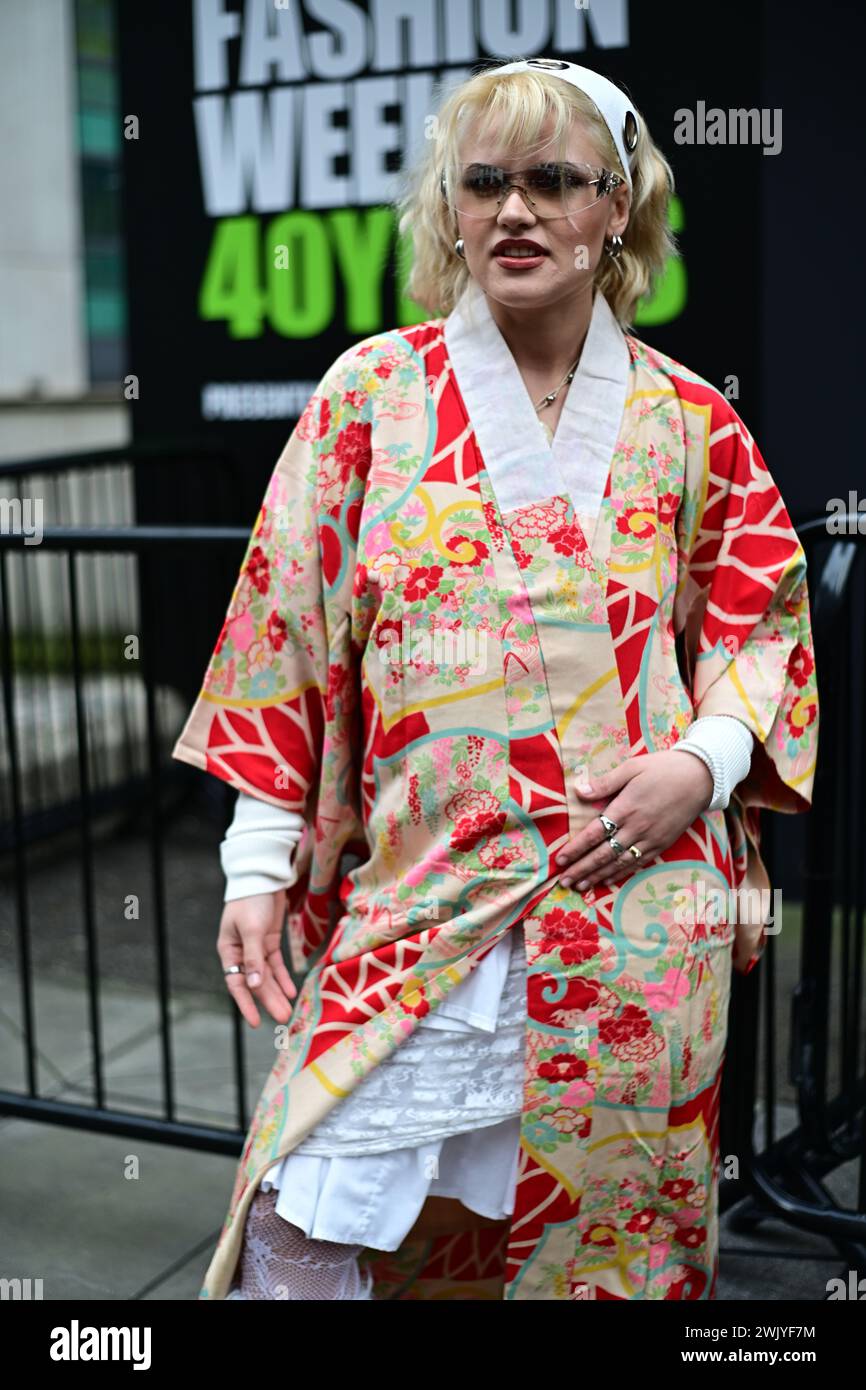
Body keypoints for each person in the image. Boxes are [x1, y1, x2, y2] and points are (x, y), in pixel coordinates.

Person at [171, 56, 819, 1301]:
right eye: (482, 184)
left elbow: (761, 627)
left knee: (608, 1243)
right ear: (449, 209)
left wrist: (702, 763)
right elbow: (284, 632)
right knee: (301, 1216)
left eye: (551, 181)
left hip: (638, 911)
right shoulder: (370, 394)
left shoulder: (694, 423)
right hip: (426, 893)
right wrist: (256, 866)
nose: (513, 211)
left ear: (614, 208)